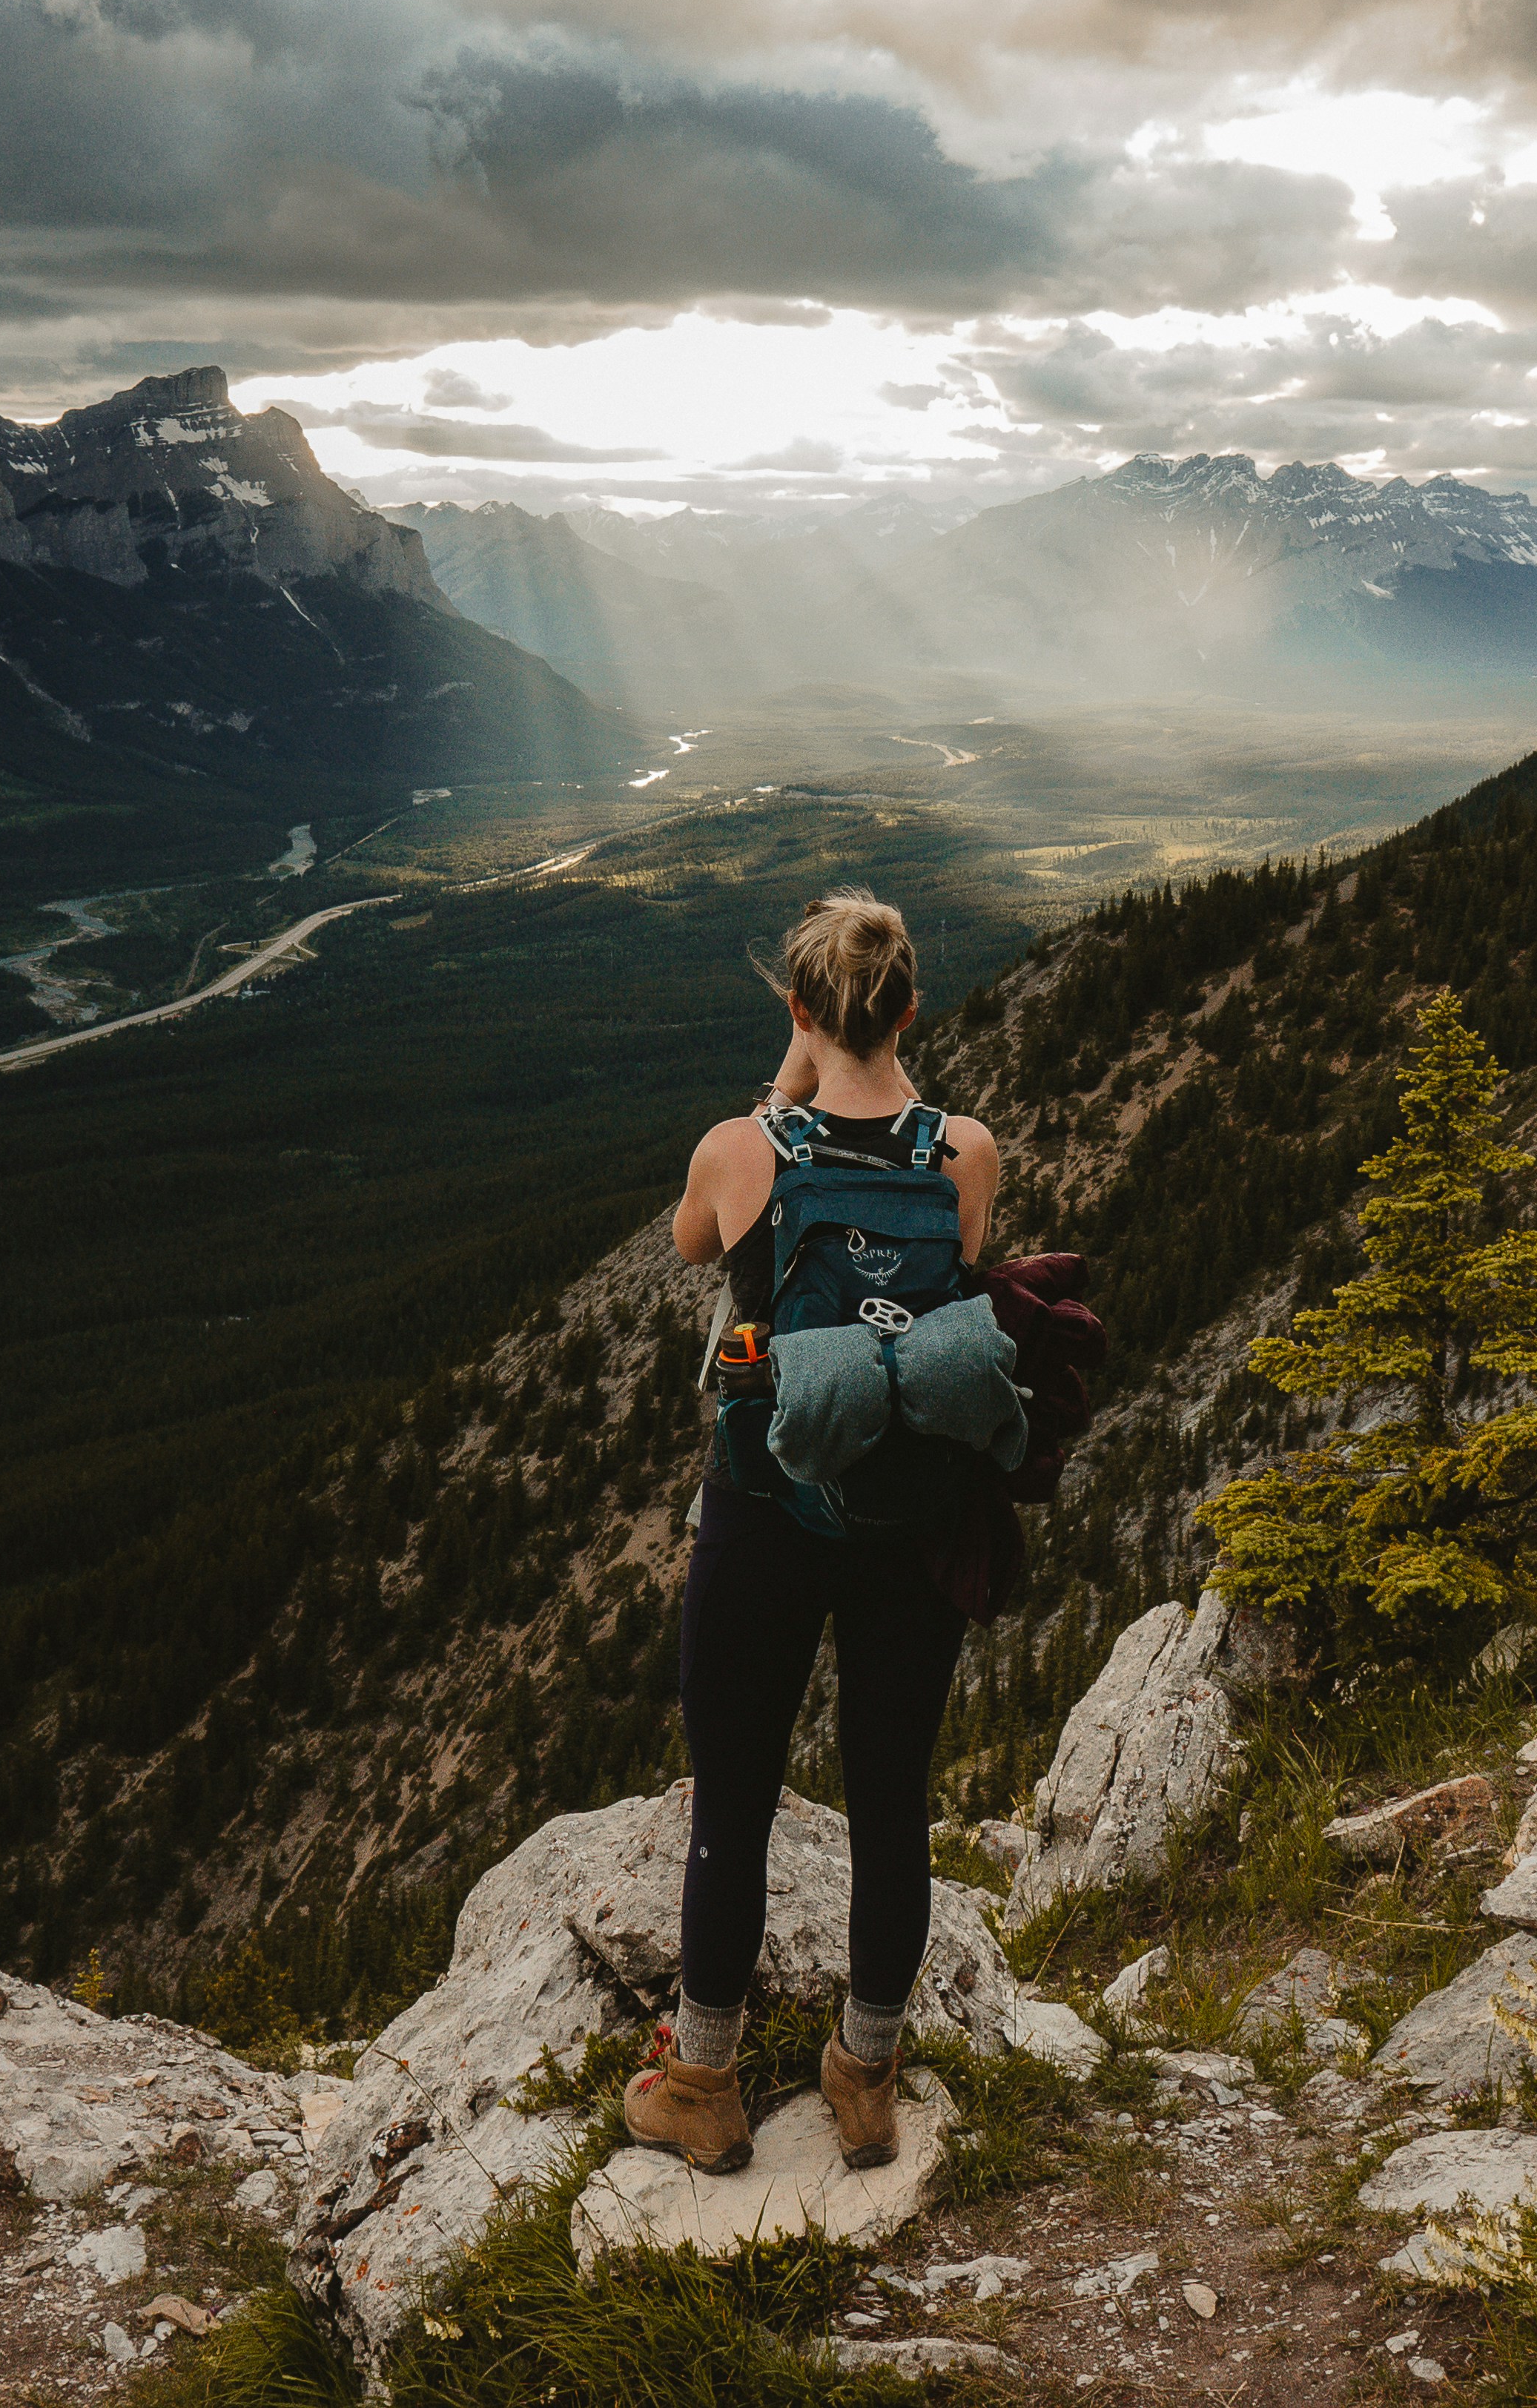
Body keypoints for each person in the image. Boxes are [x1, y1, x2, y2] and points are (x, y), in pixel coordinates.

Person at [625, 888, 999, 2178]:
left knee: (732, 1797)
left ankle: (707, 2085)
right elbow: (951, 1277)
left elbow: (691, 1246)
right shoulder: (966, 1150)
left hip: (766, 1513)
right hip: (906, 1520)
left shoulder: (741, 1149)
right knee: (892, 1799)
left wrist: (780, 1080)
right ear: (909, 1007)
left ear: (798, 1009)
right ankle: (864, 2075)